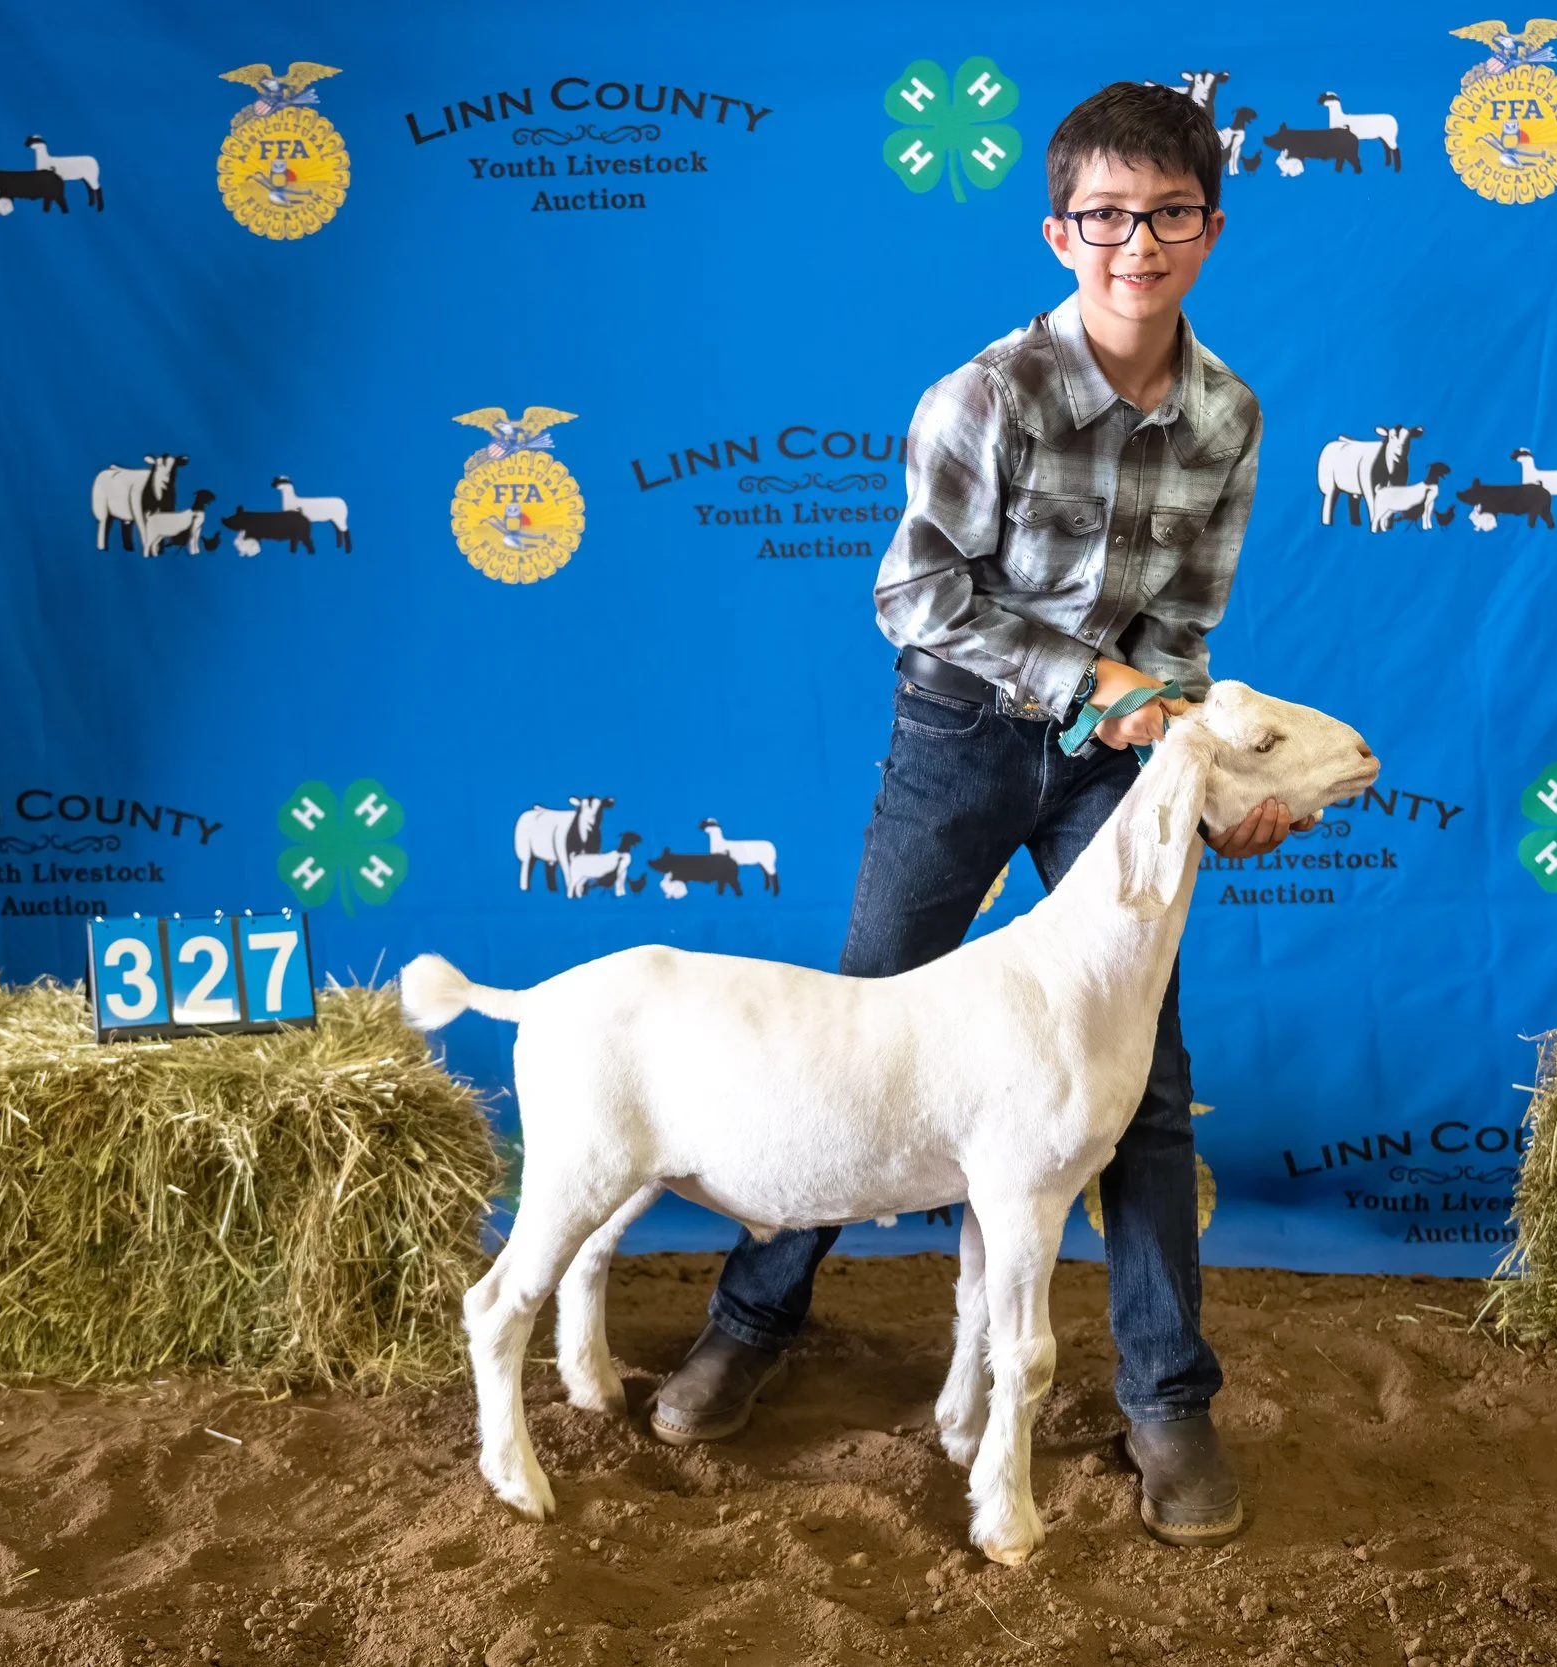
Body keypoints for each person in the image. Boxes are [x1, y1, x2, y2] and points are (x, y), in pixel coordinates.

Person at [647, 80, 1311, 1548]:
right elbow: (915, 591)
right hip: (960, 733)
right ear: (1061, 230)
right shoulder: (985, 395)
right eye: (1108, 217)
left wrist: (1201, 789)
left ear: (1211, 226)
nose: (1139, 243)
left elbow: (1189, 634)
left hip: (1111, 767)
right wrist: (1093, 676)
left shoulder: (1230, 419)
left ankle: (1166, 1393)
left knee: (1138, 1067)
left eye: (1171, 215)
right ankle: (755, 1317)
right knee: (863, 1023)